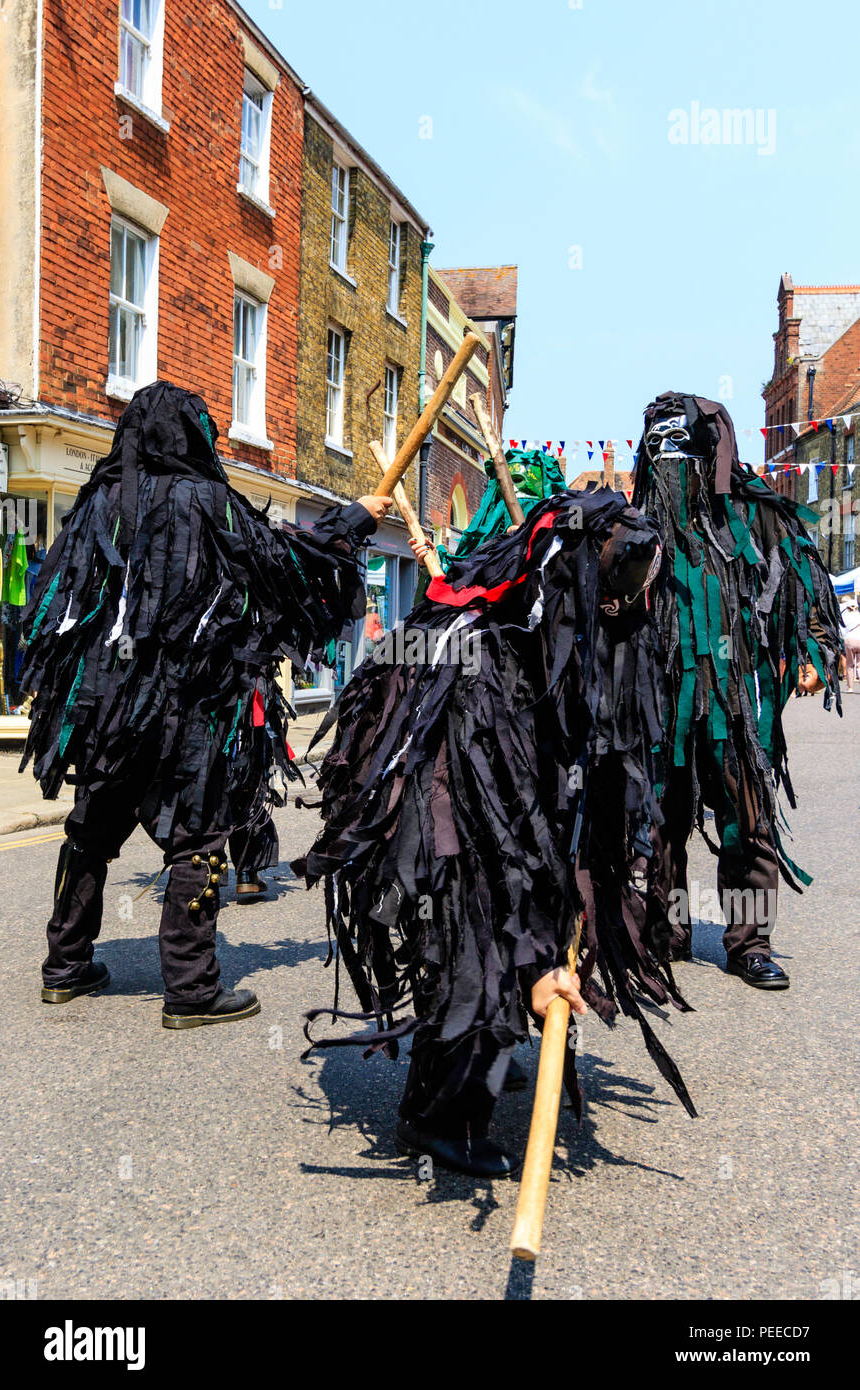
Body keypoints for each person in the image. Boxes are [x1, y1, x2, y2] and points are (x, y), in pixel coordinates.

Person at [294, 488, 696, 1179]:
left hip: (481, 797)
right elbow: (498, 833)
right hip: (437, 802)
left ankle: (487, 1045)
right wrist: (540, 964)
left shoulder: (538, 631)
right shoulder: (482, 660)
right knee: (469, 933)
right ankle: (433, 1117)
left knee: (517, 917)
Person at [20, 381, 391, 1027]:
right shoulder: (209, 502)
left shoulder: (99, 503)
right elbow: (284, 563)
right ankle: (190, 990)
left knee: (90, 833)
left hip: (107, 709)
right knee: (196, 837)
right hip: (186, 711)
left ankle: (66, 965)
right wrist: (352, 519)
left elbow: (60, 607)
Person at [633, 393, 843, 989]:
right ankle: (664, 934)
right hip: (664, 702)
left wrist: (815, 649)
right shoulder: (639, 528)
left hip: (734, 707)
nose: (669, 463)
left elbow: (807, 579)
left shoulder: (753, 513)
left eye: (681, 450)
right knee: (661, 821)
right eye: (658, 449)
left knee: (747, 821)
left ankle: (750, 943)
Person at [839, 596, 860, 691]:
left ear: (847, 608)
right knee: (859, 663)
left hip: (849, 640)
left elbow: (842, 631)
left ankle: (850, 687)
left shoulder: (845, 617)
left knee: (850, 664)